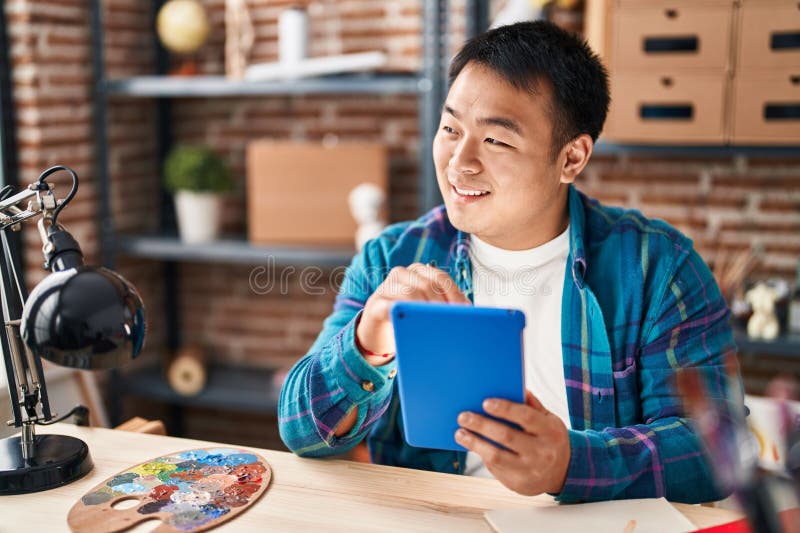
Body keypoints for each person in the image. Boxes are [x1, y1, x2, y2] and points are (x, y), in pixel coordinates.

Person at [278, 20, 742, 503]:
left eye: (496, 140)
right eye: (450, 128)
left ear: (572, 158)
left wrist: (568, 464)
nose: (459, 162)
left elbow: (718, 450)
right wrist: (365, 342)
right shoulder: (393, 258)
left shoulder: (656, 267)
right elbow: (300, 431)